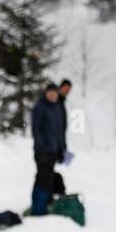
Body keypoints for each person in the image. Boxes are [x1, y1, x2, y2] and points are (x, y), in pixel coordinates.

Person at [29, 82, 64, 215]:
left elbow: (58, 132)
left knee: (49, 178)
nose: (52, 94)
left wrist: (61, 149)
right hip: (42, 151)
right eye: (50, 92)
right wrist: (40, 148)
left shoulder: (57, 109)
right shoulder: (40, 107)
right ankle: (38, 208)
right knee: (42, 178)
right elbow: (36, 128)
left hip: (53, 151)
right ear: (46, 93)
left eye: (55, 92)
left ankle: (46, 203)